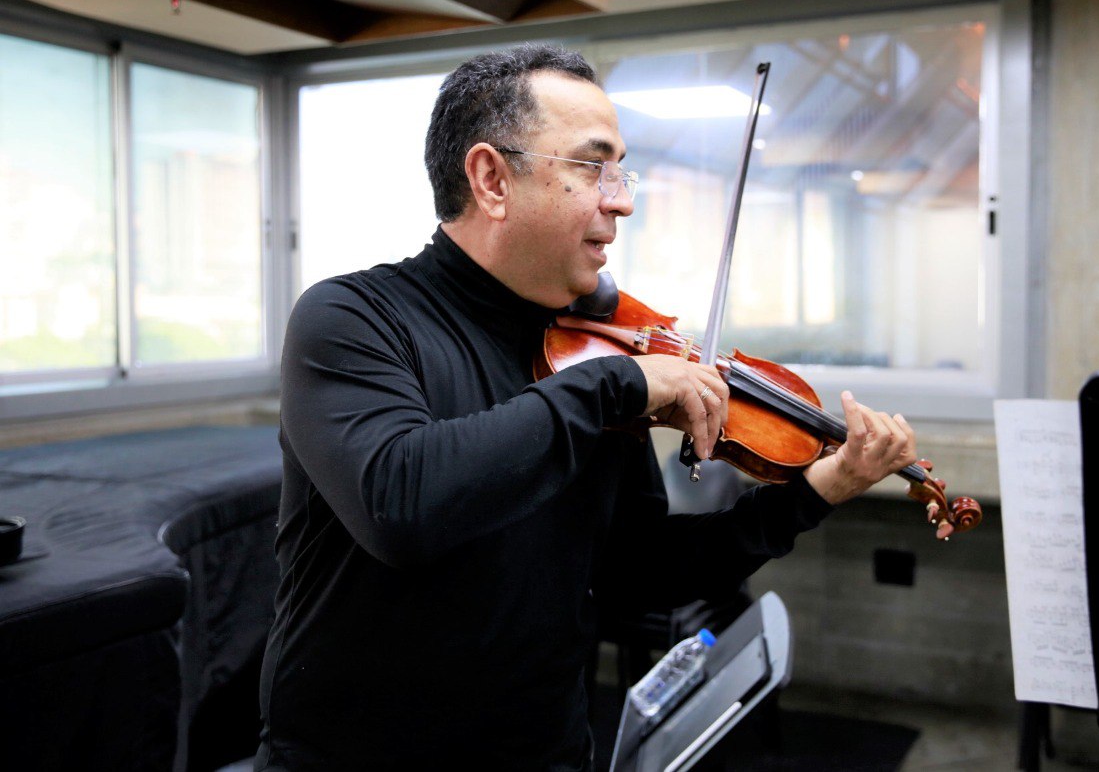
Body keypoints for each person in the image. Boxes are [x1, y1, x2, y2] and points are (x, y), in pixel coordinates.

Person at [255, 44, 919, 771]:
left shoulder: (595, 351)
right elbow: (401, 503)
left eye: (621, 169)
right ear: (491, 178)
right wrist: (622, 387)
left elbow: (639, 573)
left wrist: (818, 490)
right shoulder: (351, 318)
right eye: (591, 166)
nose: (623, 199)